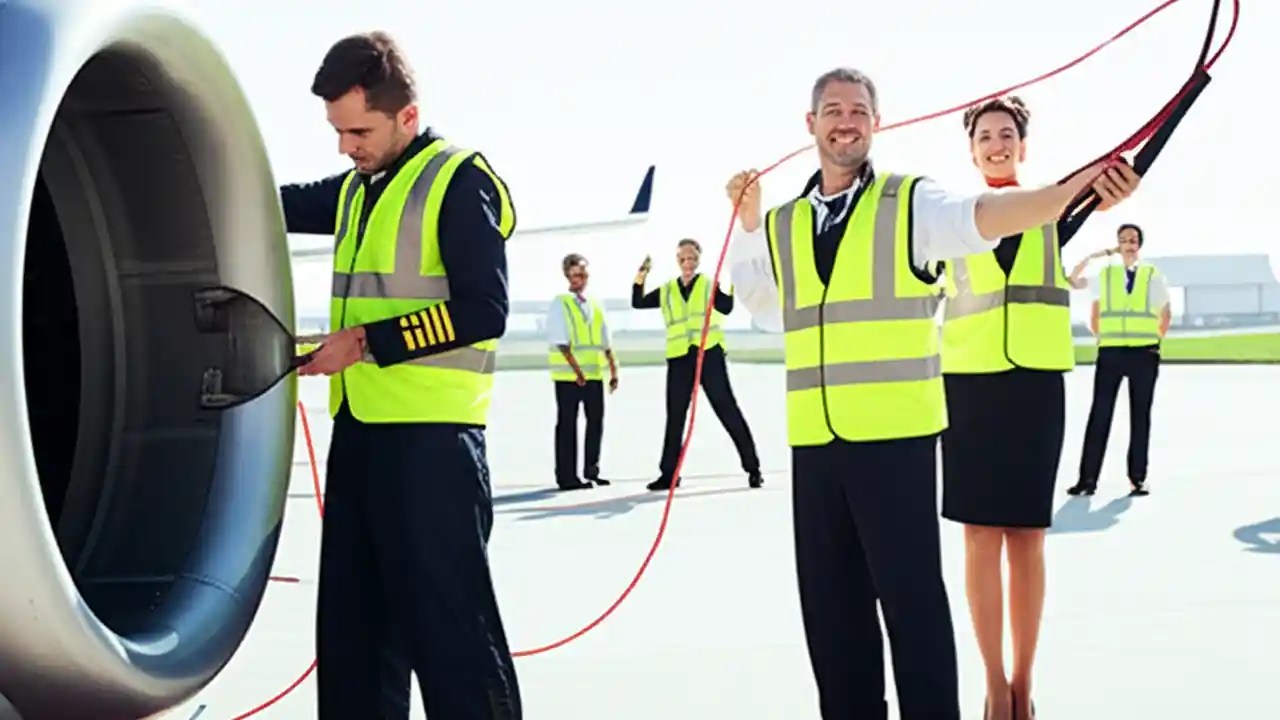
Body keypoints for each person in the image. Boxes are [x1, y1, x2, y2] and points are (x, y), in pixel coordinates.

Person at [724, 67, 1140, 720]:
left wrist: (1074, 191)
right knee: (833, 622)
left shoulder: (909, 202)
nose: (845, 120)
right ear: (810, 125)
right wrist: (747, 223)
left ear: (876, 123)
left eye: (859, 110)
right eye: (832, 109)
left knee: (913, 611)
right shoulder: (782, 223)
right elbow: (762, 306)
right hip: (815, 447)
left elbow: (988, 215)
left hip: (898, 440)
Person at [277, 31, 521, 719]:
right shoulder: (359, 189)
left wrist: (364, 343)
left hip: (433, 449)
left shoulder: (456, 179)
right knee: (354, 643)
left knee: (456, 649)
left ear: (406, 117)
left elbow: (484, 308)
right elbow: (283, 204)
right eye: (336, 130)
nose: (344, 146)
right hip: (361, 437)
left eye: (357, 129)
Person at [937, 97, 1141, 720]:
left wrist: (1117, 179)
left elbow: (1100, 188)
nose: (997, 144)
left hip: (1033, 389)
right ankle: (993, 684)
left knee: (1027, 536)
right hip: (968, 388)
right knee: (978, 537)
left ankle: (1024, 684)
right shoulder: (945, 222)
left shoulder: (1056, 216)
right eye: (985, 137)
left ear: (1023, 148)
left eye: (1007, 135)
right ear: (971, 153)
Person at [631, 239, 764, 491]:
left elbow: (726, 307)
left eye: (692, 258)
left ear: (699, 259)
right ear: (677, 261)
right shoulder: (669, 289)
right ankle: (669, 475)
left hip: (709, 356)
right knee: (675, 419)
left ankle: (753, 468)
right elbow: (638, 302)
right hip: (680, 359)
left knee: (727, 410)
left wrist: (734, 279)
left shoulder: (707, 285)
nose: (687, 262)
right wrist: (641, 273)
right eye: (682, 258)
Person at [1066, 222, 1170, 497]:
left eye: (1133, 239)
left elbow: (1165, 312)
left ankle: (1138, 478)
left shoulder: (1151, 275)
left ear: (1139, 244)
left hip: (1144, 353)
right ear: (1117, 243)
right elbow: (1072, 281)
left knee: (1140, 415)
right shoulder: (1106, 273)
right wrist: (1096, 255)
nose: (1128, 243)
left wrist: (1155, 343)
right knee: (1099, 414)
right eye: (1123, 239)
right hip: (1111, 352)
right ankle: (1087, 480)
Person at [546, 253, 618, 490]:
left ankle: (591, 470)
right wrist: (577, 372)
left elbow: (605, 340)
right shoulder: (561, 302)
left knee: (595, 422)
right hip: (569, 376)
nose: (581, 278)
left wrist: (613, 370)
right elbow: (561, 342)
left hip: (594, 374)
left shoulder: (595, 303)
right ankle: (567, 477)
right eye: (576, 273)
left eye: (584, 273)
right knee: (567, 425)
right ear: (567, 275)